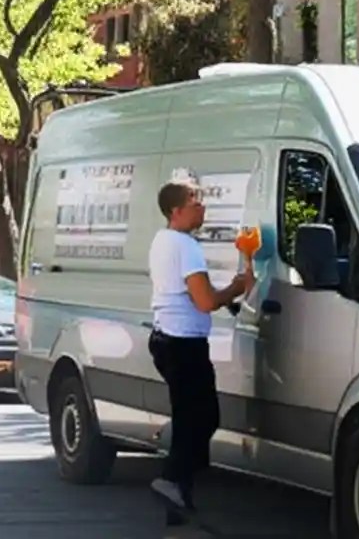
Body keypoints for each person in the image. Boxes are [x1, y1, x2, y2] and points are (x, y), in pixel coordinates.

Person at [147, 180, 250, 525]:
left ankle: (179, 504)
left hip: (166, 338)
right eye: (194, 201)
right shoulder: (185, 245)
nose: (201, 206)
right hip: (183, 344)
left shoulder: (161, 240)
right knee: (204, 418)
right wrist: (236, 288)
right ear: (176, 211)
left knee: (188, 418)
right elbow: (205, 301)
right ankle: (172, 480)